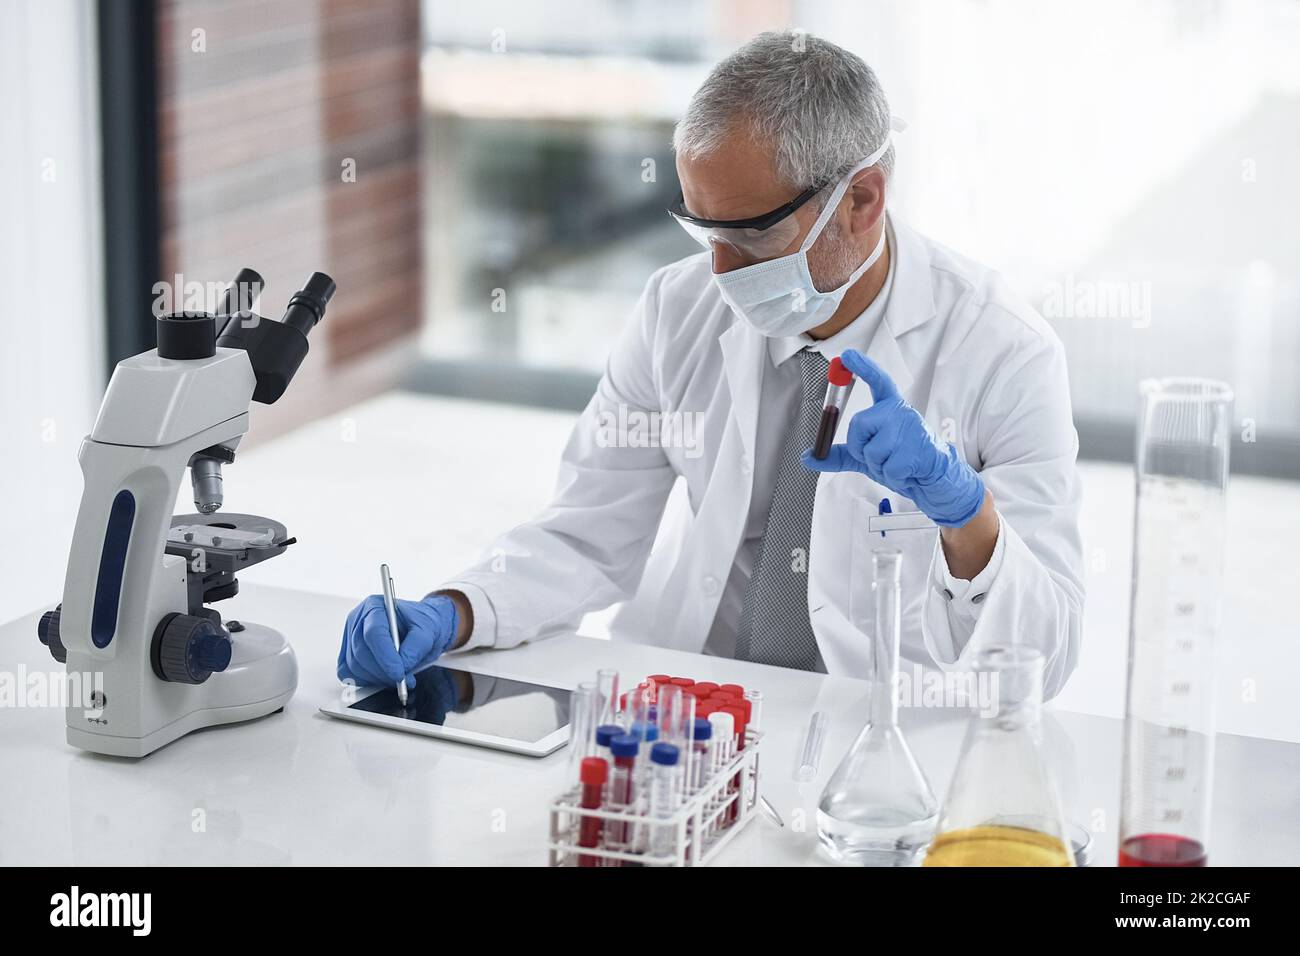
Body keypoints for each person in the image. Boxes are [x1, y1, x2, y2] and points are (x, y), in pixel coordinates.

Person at [338, 31, 1084, 699]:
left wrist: (966, 515)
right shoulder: (677, 308)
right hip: (685, 703)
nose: (721, 272)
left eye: (750, 235)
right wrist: (455, 609)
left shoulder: (1004, 353)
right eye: (702, 232)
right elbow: (589, 533)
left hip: (876, 733)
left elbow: (1043, 659)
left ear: (860, 200)